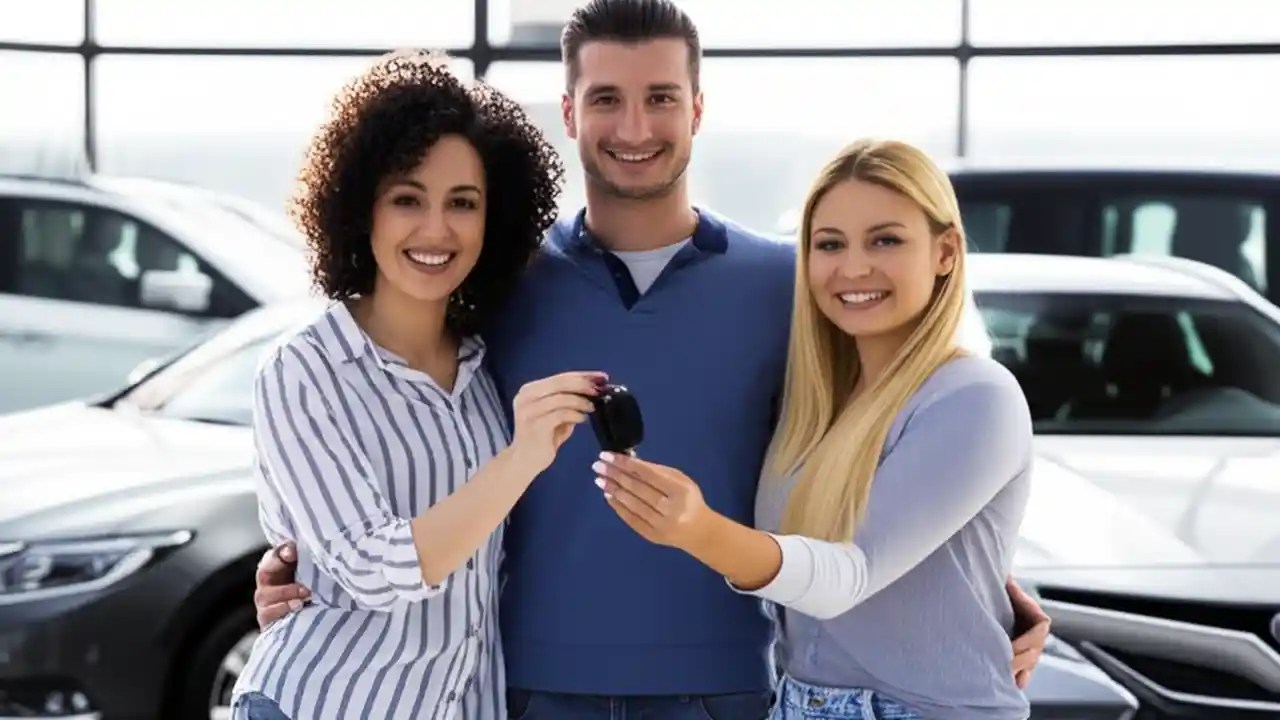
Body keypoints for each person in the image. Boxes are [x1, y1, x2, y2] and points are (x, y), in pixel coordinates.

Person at [253, 2, 1052, 718]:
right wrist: (299, 564)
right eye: (606, 99)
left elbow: (904, 434)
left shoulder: (792, 284)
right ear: (568, 111)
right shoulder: (497, 287)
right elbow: (391, 429)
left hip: (726, 689)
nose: (634, 127)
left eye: (660, 98)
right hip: (526, 689)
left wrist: (991, 595)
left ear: (698, 108)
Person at [595, 138, 1035, 719]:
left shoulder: (977, 397)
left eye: (886, 240)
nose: (853, 267)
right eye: (830, 244)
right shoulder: (814, 406)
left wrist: (695, 528)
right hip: (797, 701)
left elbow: (847, 576)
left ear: (946, 251)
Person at [228, 50, 593, 720]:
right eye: (406, 199)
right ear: (359, 209)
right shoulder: (305, 370)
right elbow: (375, 567)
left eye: (463, 202)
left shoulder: (491, 368)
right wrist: (522, 458)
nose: (436, 229)